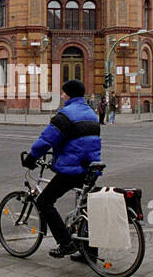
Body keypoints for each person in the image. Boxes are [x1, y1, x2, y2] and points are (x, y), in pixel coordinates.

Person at [21, 79, 102, 260]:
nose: (62, 95)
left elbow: (47, 140)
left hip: (72, 168)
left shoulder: (65, 115)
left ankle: (66, 243)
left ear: (69, 94)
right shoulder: (91, 113)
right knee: (84, 207)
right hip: (91, 167)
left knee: (44, 202)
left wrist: (31, 158)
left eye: (64, 93)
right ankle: (89, 252)